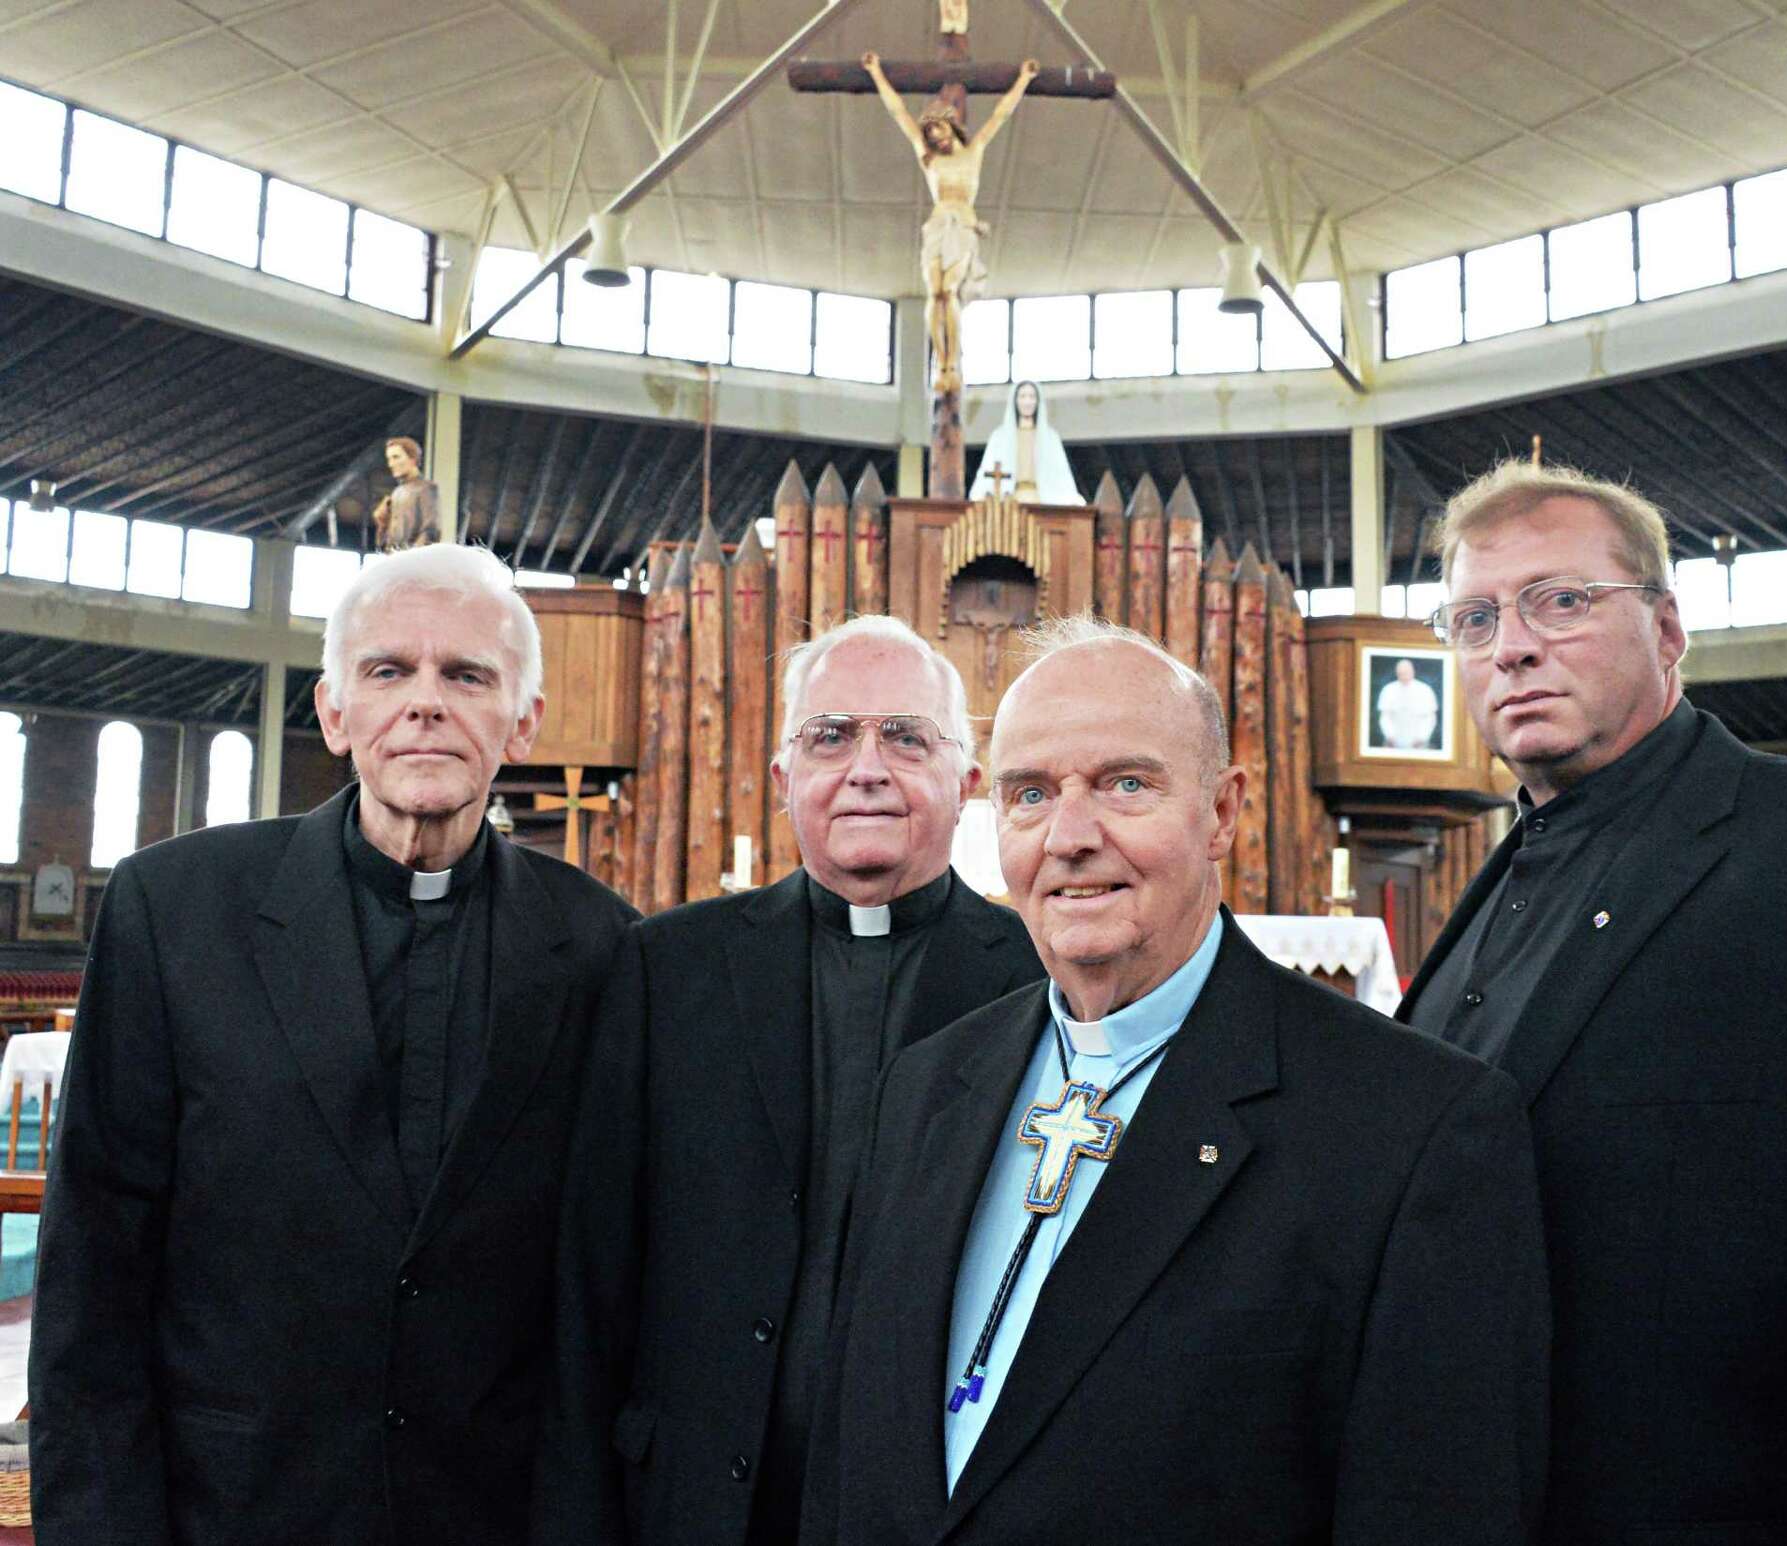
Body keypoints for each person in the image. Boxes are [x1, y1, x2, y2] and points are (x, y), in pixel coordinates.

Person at [802, 617, 1550, 1546]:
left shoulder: (1412, 1127)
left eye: (1125, 784)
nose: (1071, 837)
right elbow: (848, 1457)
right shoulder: (926, 1085)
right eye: (1031, 795)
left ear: (1223, 812)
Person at [28, 544, 638, 1546]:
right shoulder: (176, 912)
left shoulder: (605, 946)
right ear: (334, 710)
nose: (426, 703)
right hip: (234, 1513)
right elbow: (94, 1277)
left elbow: (606, 1297)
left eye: (467, 675)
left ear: (524, 720)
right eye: (389, 670)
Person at [1400, 458, 1787, 1543]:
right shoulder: (1492, 881)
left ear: (1670, 628)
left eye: (1563, 600)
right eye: (1476, 616)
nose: (1514, 645)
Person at [534, 615, 1045, 1546]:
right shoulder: (667, 970)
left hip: (934, 1508)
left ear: (965, 783)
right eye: (831, 736)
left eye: (905, 736)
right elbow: (591, 1275)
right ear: (784, 781)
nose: (866, 767)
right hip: (691, 1502)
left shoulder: (1038, 979)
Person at [862, 53, 1038, 393]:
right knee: (934, 292)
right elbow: (898, 112)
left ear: (949, 124)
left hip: (963, 226)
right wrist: (875, 73)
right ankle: (939, 361)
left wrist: (1024, 80)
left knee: (949, 292)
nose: (935, 137)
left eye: (938, 129)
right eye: (929, 133)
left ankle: (952, 362)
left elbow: (1002, 113)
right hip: (938, 225)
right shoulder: (930, 161)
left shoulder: (974, 151)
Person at [968, 380, 1083, 506]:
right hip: (1008, 503)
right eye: (1023, 396)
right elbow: (987, 471)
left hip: (1044, 502)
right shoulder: (999, 437)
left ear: (1038, 401)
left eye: (1032, 397)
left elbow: (1061, 475)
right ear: (1015, 401)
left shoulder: (1051, 438)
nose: (1027, 402)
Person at [372, 434, 441, 551]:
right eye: (389, 459)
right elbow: (385, 543)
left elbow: (431, 531)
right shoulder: (397, 493)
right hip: (394, 561)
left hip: (412, 562)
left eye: (396, 457)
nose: (391, 464)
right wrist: (382, 524)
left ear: (412, 459)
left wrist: (410, 558)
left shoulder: (427, 488)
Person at [1375, 655, 1439, 749]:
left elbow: (1430, 718)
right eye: (1401, 673)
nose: (1404, 675)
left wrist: (1422, 737)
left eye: (1406, 672)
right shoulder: (1388, 690)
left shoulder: (1425, 690)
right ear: (1397, 673)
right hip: (1393, 742)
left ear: (1413, 671)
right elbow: (1385, 716)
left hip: (1419, 743)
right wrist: (1390, 736)